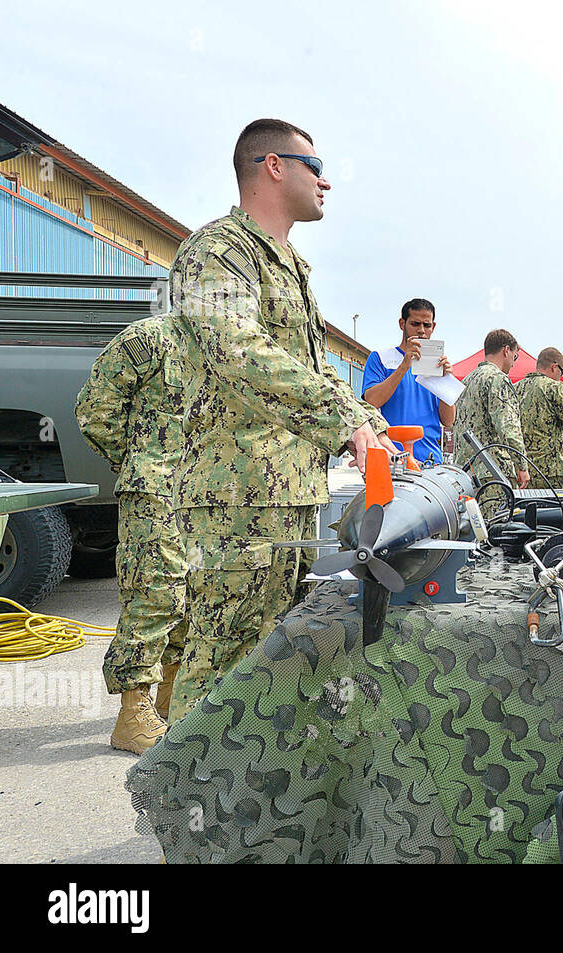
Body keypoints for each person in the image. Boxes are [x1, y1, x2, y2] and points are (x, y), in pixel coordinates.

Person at [165, 118, 394, 723]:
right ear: (273, 166)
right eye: (316, 168)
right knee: (220, 665)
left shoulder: (289, 264)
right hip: (233, 497)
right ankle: (187, 806)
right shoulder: (218, 252)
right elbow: (238, 353)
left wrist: (366, 418)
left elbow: (305, 369)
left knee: (268, 663)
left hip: (286, 492)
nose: (326, 183)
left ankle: (247, 805)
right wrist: (345, 418)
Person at [75, 314, 188, 752]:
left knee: (193, 594)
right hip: (156, 487)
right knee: (154, 594)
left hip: (208, 489)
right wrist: (141, 460)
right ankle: (132, 712)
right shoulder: (149, 338)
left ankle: (169, 696)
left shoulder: (230, 345)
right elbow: (95, 411)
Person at [361, 297, 455, 464]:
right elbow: (371, 401)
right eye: (415, 324)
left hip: (430, 459)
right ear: (402, 324)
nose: (421, 330)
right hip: (391, 457)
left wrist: (446, 382)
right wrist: (405, 365)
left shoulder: (436, 365)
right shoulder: (381, 358)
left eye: (426, 325)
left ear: (433, 327)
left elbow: (448, 420)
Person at [456, 329, 530, 513]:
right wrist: (522, 466)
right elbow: (508, 428)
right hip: (494, 473)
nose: (514, 363)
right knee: (496, 535)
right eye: (515, 356)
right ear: (506, 350)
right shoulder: (498, 379)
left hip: (466, 474)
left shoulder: (466, 381)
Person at [516, 346, 563, 489]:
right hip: (551, 473)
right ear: (554, 367)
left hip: (522, 473)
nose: (561, 377)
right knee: (554, 511)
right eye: (562, 372)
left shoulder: (515, 389)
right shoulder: (555, 388)